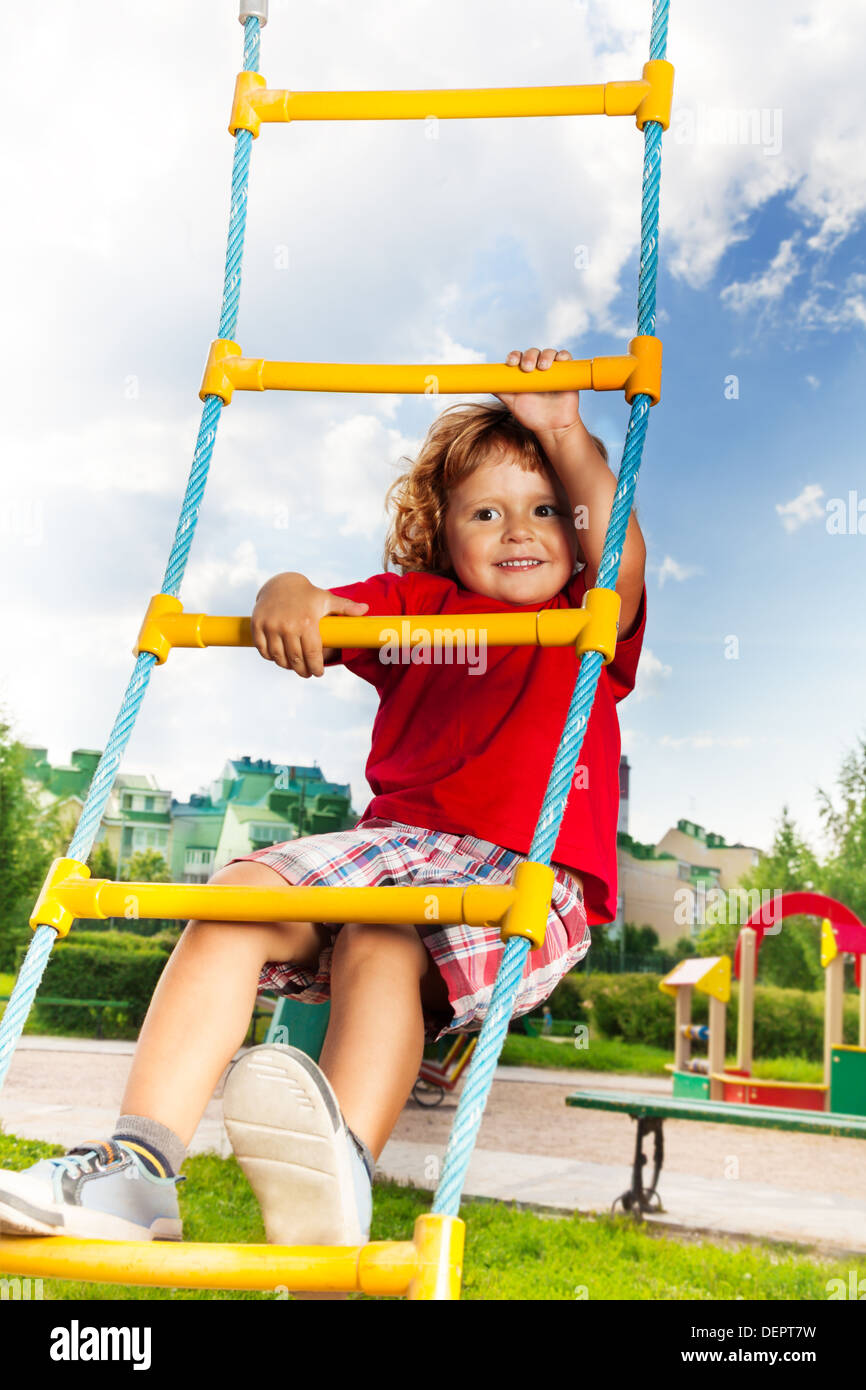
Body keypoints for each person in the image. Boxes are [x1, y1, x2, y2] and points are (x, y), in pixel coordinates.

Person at [0, 346, 646, 1260]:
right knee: (238, 893)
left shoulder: (588, 616)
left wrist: (565, 430)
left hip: (521, 874)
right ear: (445, 535)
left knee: (385, 944)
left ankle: (336, 1166)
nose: (518, 530)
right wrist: (287, 593)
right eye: (486, 512)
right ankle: (138, 1169)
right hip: (394, 846)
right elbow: (323, 606)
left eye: (545, 511)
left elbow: (616, 543)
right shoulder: (419, 608)